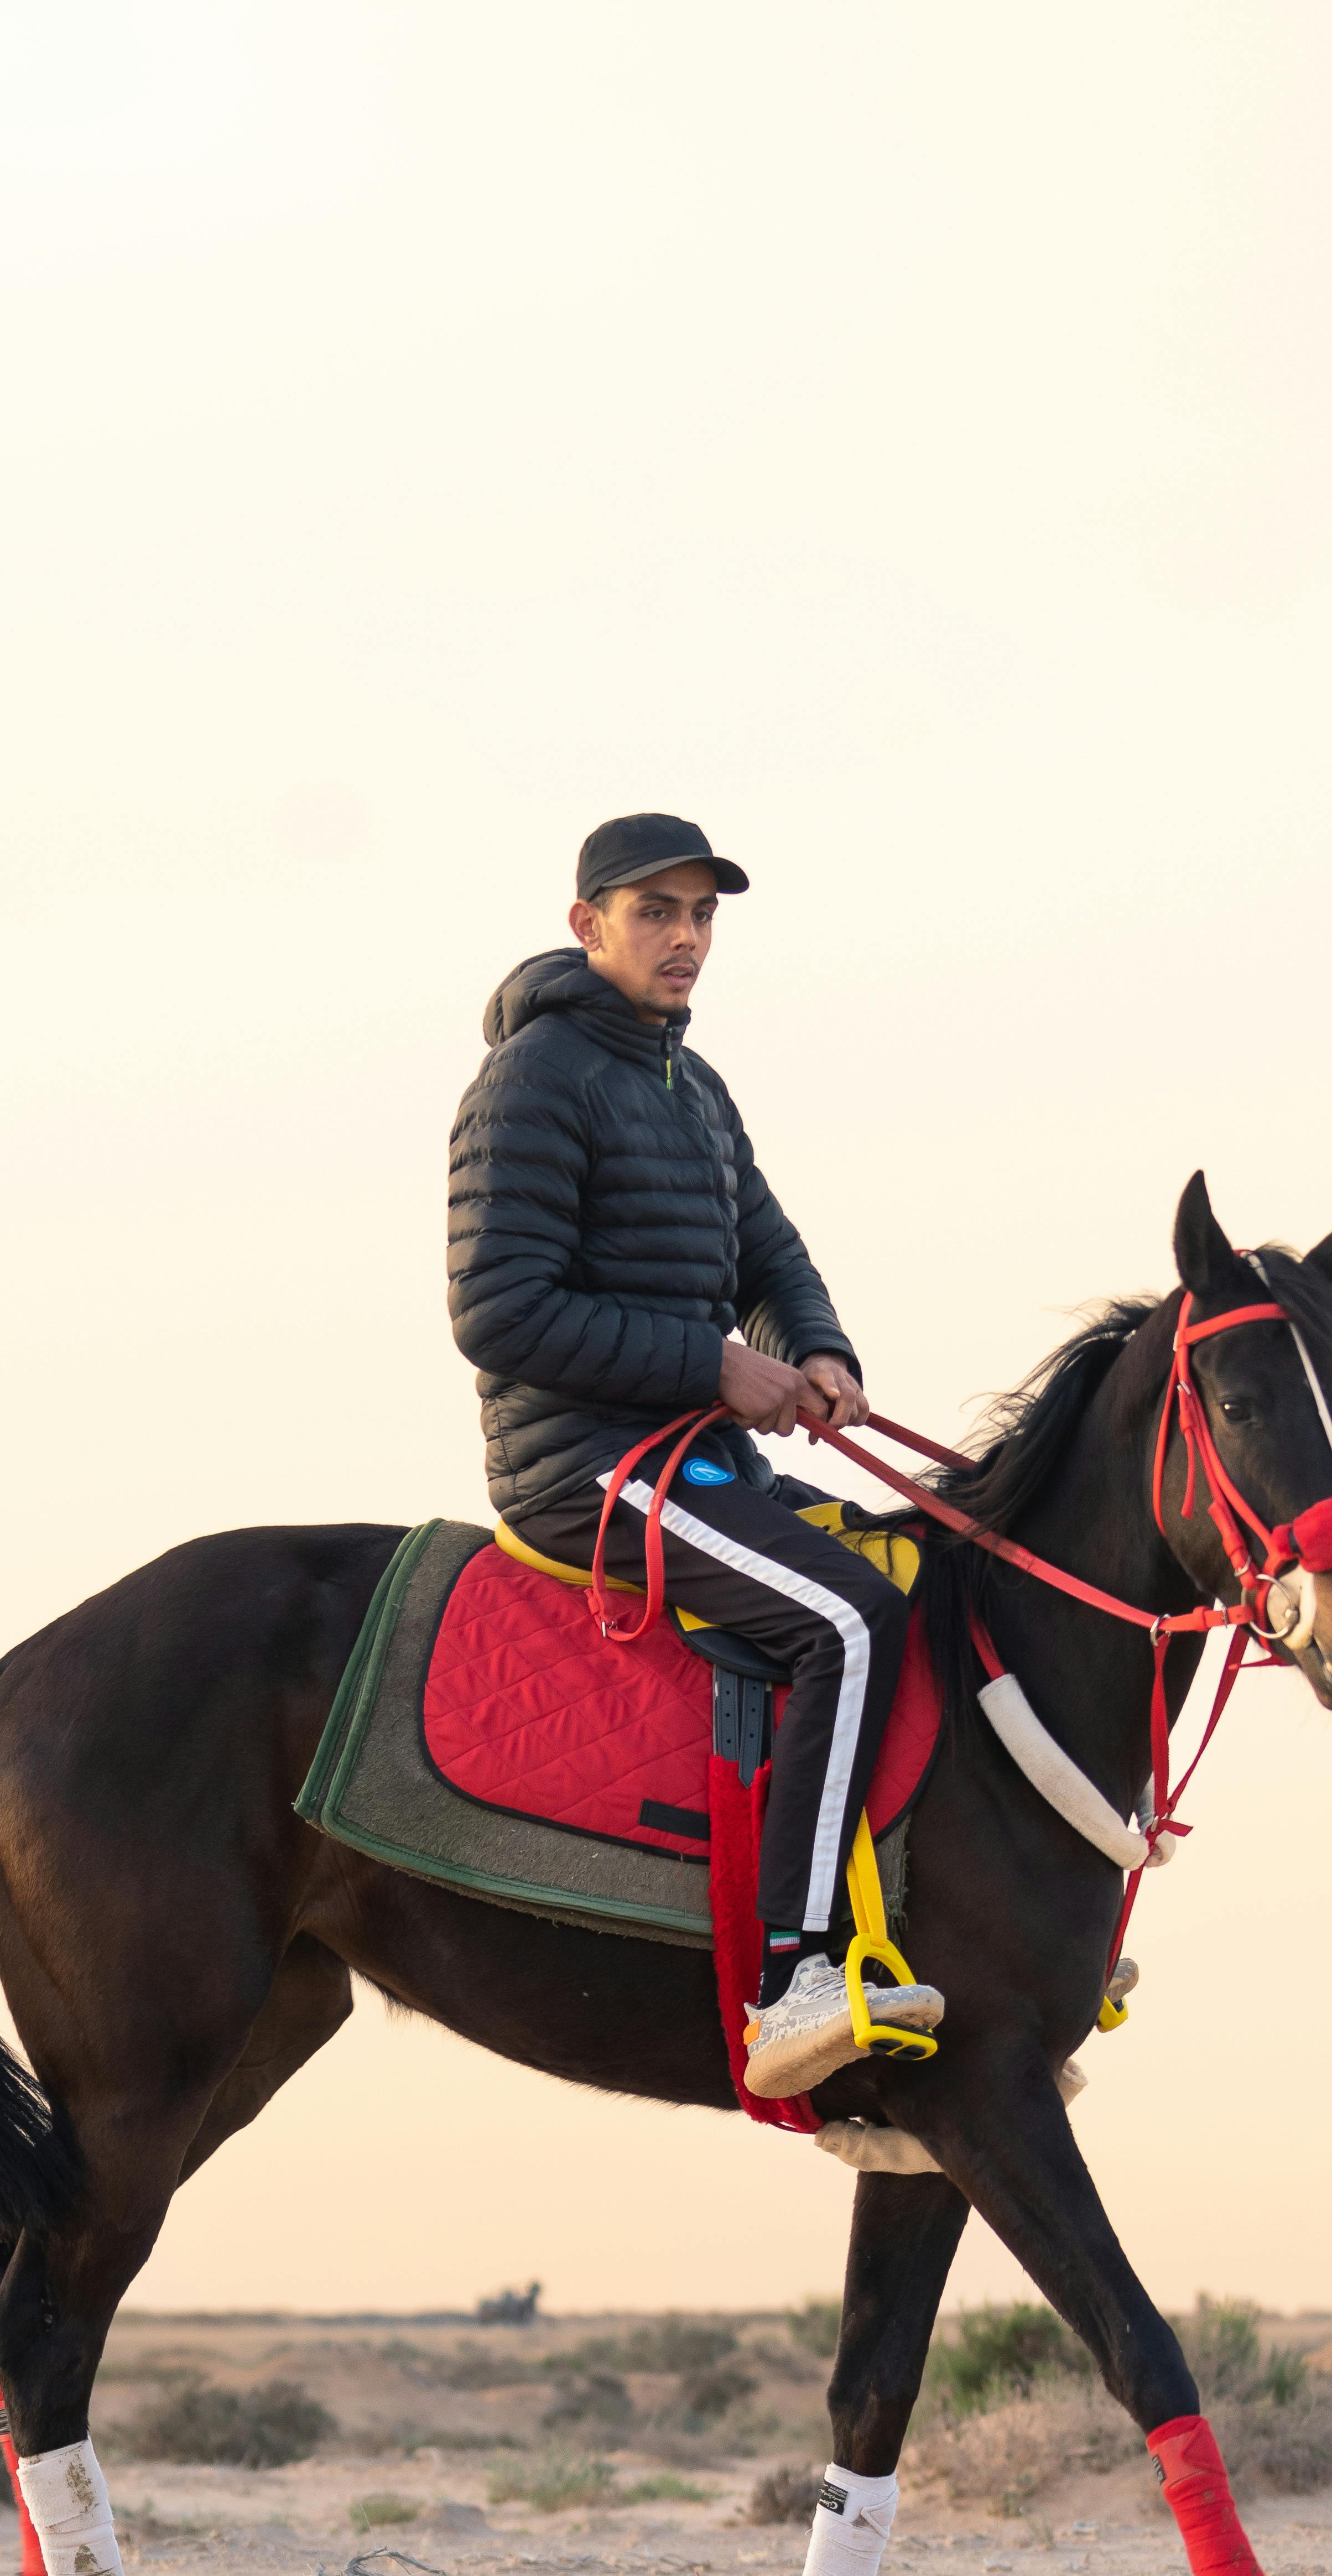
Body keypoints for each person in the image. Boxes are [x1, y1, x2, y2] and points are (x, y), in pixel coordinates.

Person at [447, 810, 945, 2099]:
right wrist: (714, 1367)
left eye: (702, 914)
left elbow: (768, 1257)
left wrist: (815, 1349)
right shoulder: (533, 1079)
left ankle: (959, 1928)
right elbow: (497, 1313)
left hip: (696, 1455)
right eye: (655, 911)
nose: (685, 938)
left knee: (933, 1565)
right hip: (585, 1468)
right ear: (586, 925)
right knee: (848, 1620)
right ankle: (794, 1982)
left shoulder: (694, 1083)